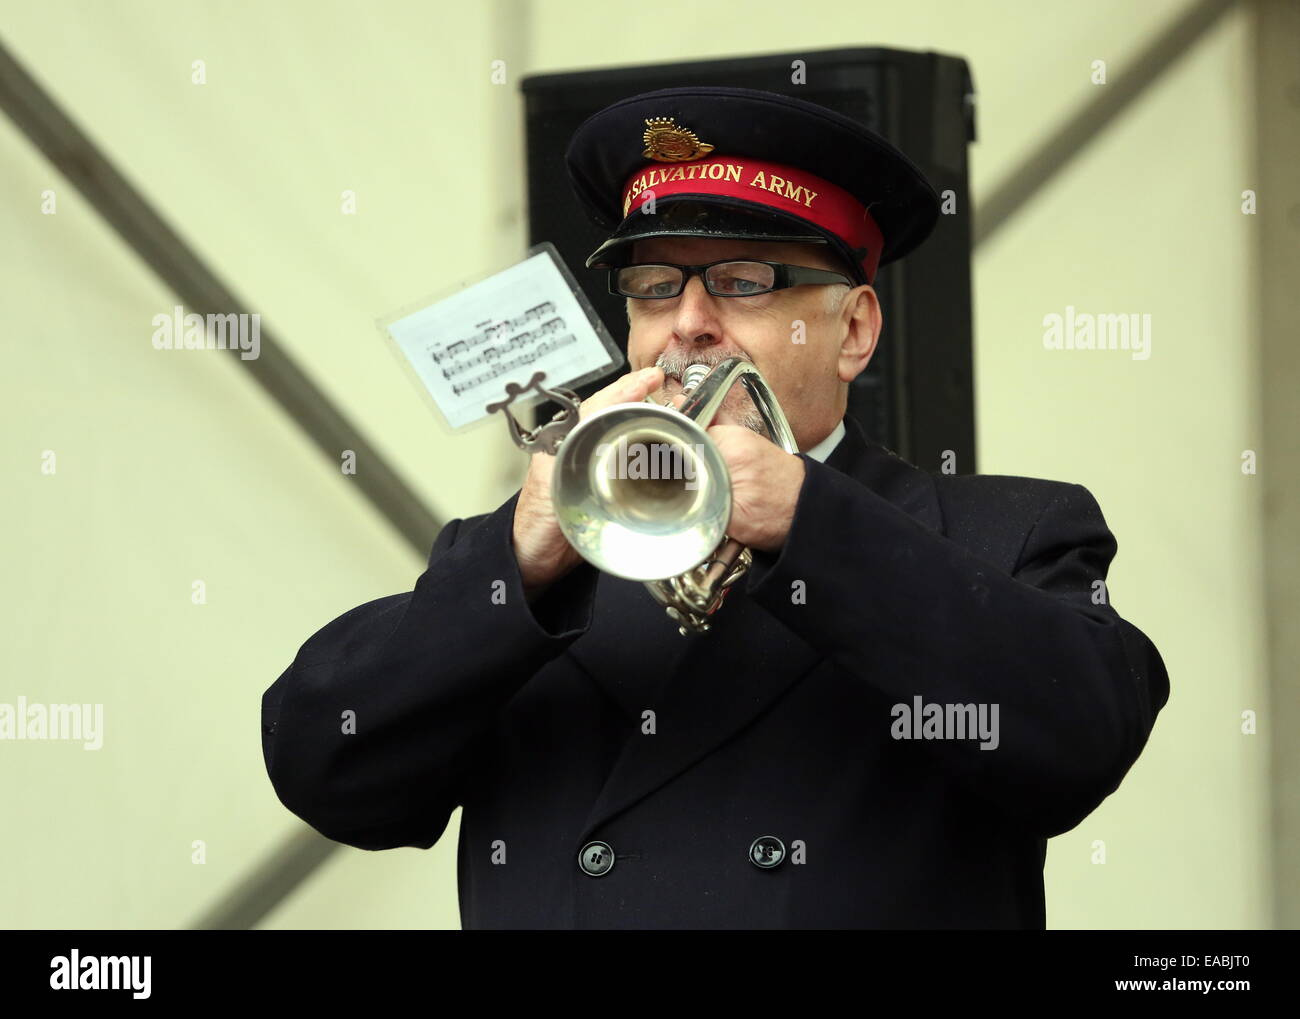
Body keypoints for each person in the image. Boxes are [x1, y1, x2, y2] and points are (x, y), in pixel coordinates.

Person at [260, 86, 1170, 929]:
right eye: (654, 287)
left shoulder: (1004, 531)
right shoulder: (539, 558)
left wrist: (810, 523)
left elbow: (1080, 740)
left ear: (851, 330)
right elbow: (324, 769)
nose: (687, 323)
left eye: (741, 281)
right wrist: (519, 557)